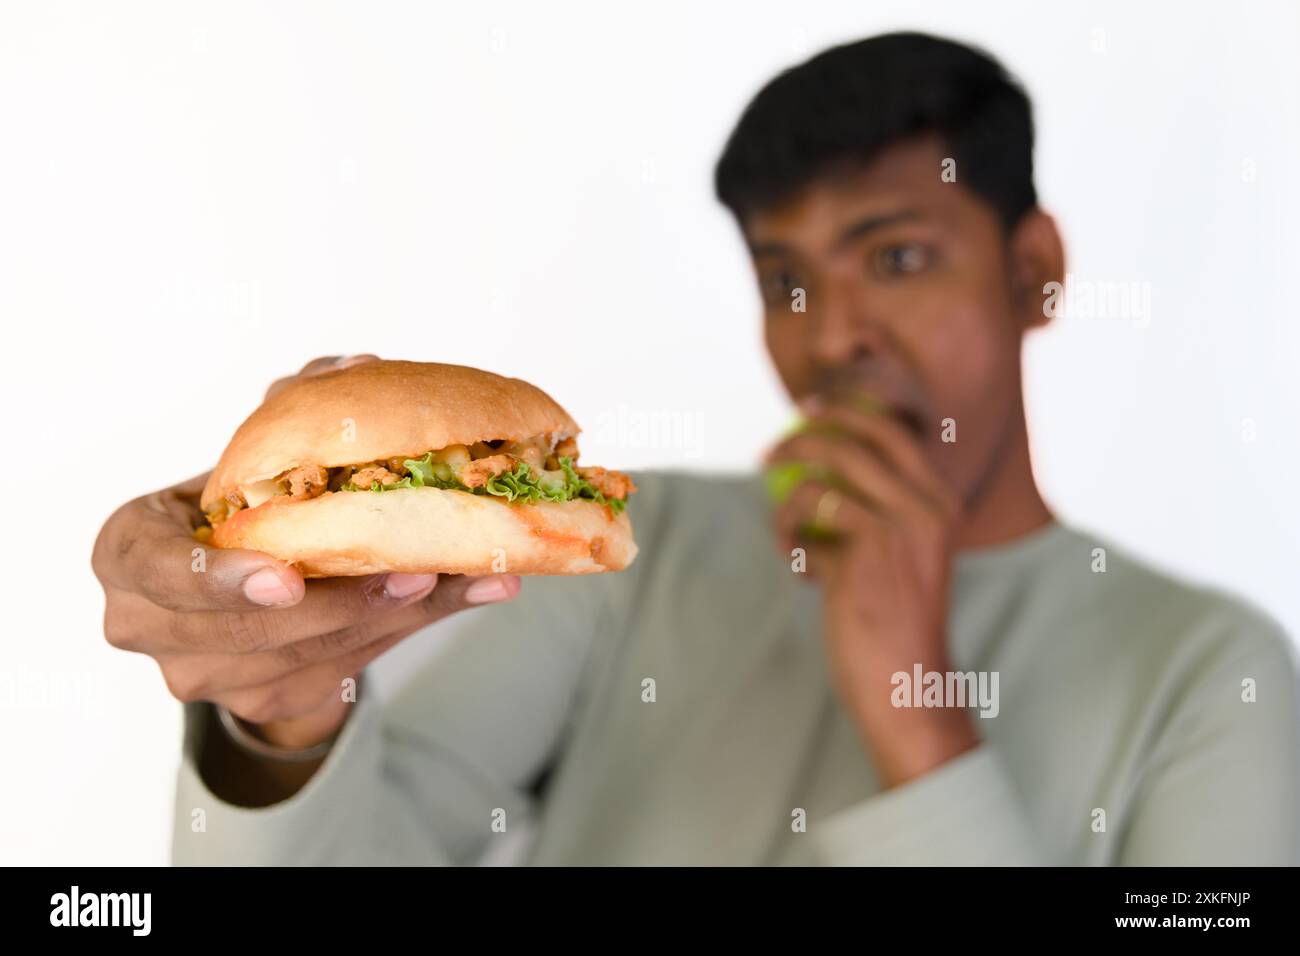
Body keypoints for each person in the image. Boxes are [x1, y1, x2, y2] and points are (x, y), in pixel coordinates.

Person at [93, 32, 1298, 865]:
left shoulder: (1210, 671)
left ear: (1032, 273)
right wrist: (283, 713)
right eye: (786, 278)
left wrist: (915, 710)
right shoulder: (629, 544)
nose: (833, 337)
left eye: (896, 257)